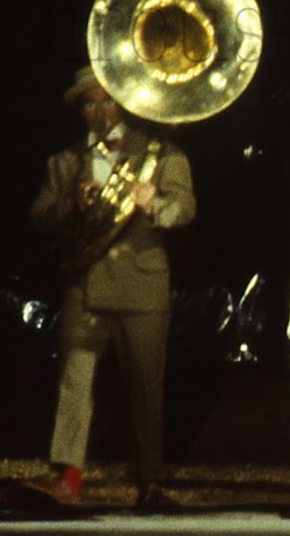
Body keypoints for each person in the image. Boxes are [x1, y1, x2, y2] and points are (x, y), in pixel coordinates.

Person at [22, 66, 195, 512]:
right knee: (74, 383)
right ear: (81, 110)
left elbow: (185, 209)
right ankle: (67, 479)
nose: (100, 111)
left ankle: (149, 483)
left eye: (107, 101)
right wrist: (67, 204)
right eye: (90, 103)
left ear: (124, 103)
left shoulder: (162, 155)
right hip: (86, 287)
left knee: (145, 387)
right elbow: (38, 216)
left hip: (142, 287)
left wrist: (150, 202)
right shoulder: (63, 163)